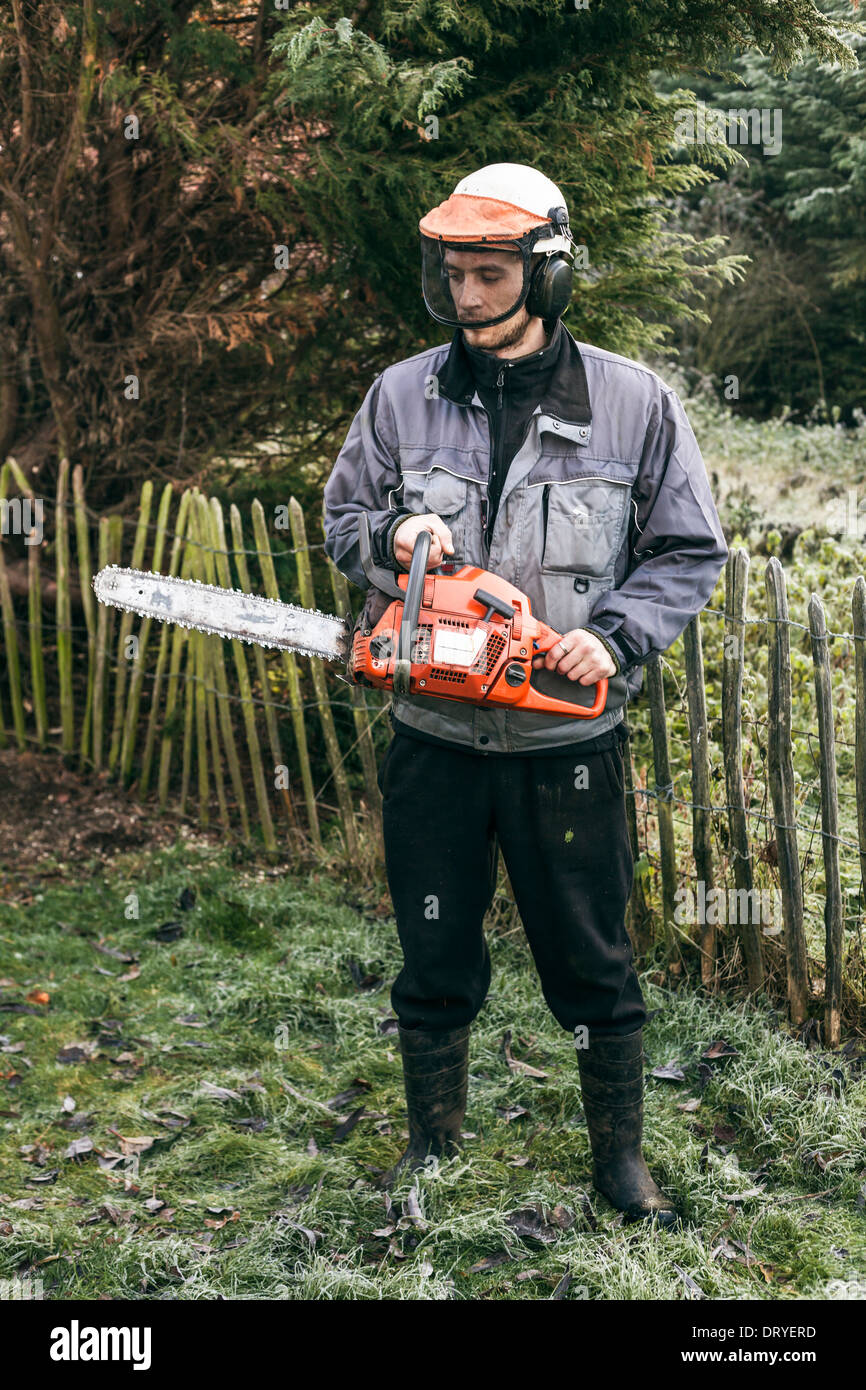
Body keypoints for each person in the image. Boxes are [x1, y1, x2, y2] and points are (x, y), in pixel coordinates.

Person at [323, 163, 728, 1226]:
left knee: (592, 960)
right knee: (432, 948)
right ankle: (431, 1142)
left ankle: (618, 1164)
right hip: (433, 736)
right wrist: (393, 536)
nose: (465, 295)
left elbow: (687, 549)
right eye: (452, 273)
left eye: (488, 272)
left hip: (566, 745)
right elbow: (343, 521)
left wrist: (613, 638)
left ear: (543, 274)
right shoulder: (401, 394)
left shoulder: (632, 403)